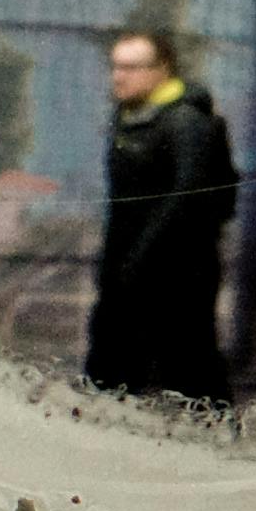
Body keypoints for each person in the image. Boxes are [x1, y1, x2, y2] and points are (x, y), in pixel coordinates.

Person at [83, 23, 238, 399]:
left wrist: (140, 258)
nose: (118, 76)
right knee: (111, 372)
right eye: (115, 66)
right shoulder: (130, 117)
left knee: (189, 375)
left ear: (161, 69)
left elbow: (190, 198)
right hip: (130, 272)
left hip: (178, 276)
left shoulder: (187, 122)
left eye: (130, 67)